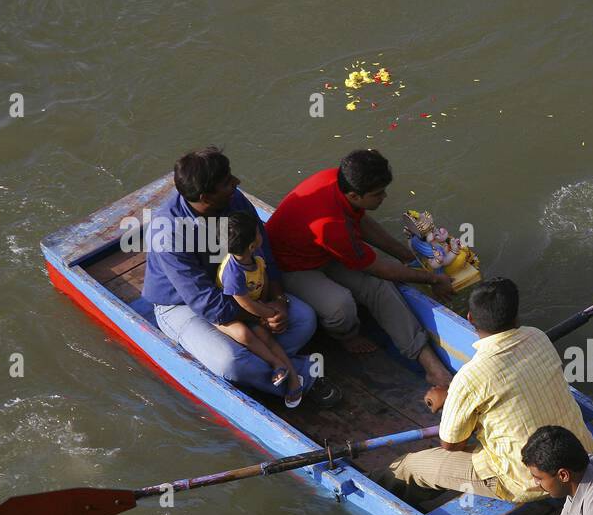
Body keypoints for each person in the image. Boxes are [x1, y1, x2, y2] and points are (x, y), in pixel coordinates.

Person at [142, 147, 339, 406]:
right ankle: (298, 374)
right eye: (227, 182)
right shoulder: (167, 232)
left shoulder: (234, 201)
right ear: (206, 197)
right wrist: (261, 314)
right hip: (182, 304)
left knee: (303, 320)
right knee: (230, 362)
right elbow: (205, 302)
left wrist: (278, 300)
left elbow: (263, 252)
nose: (237, 183)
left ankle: (262, 372)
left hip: (238, 288)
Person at [375, 278, 593, 504]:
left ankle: (374, 491)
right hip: (581, 451)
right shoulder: (538, 336)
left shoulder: (470, 377)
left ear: (470, 318)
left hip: (524, 480)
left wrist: (447, 402)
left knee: (408, 467)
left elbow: (451, 444)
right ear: (516, 315)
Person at [265, 149, 453, 386]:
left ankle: (431, 367)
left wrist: (406, 256)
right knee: (340, 306)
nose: (384, 197)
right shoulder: (331, 225)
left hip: (321, 251)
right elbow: (378, 268)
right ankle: (347, 336)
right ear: (354, 195)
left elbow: (361, 222)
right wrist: (433, 279)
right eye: (378, 194)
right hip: (290, 267)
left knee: (379, 288)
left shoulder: (338, 180)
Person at [213, 211, 303, 407]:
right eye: (257, 232)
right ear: (252, 244)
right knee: (245, 334)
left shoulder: (256, 255)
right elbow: (243, 303)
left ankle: (294, 378)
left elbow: (263, 278)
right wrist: (268, 314)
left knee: (266, 337)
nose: (260, 232)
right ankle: (276, 363)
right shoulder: (233, 273)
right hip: (231, 312)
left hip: (255, 305)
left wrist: (268, 302)